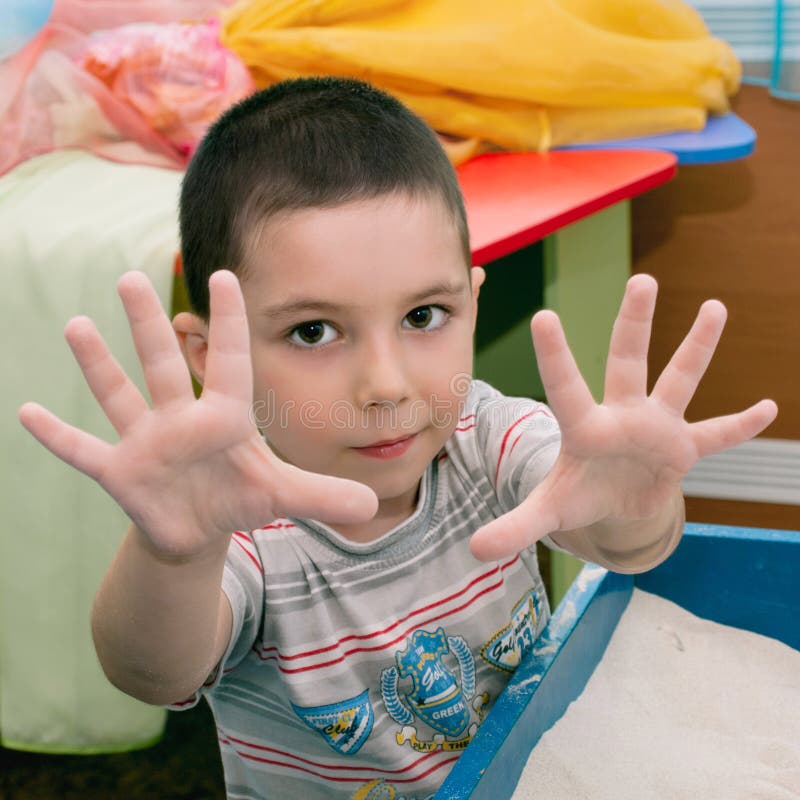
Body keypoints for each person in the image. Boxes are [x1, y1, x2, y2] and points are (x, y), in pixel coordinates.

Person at [18, 77, 777, 800]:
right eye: (314, 330)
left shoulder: (487, 433)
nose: (386, 384)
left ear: (472, 305)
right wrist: (172, 553)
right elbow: (152, 673)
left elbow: (625, 546)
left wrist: (632, 505)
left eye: (422, 317)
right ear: (214, 355)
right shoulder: (237, 523)